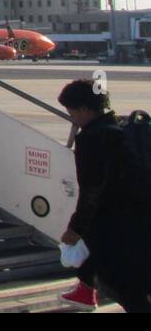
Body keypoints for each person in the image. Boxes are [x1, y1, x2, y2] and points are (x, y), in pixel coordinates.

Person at [56, 79, 151, 312]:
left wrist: (75, 228)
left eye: (72, 113)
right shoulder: (125, 128)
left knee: (125, 288)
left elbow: (91, 190)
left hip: (114, 228)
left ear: (84, 109)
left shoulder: (92, 138)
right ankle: (86, 290)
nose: (72, 119)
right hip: (142, 220)